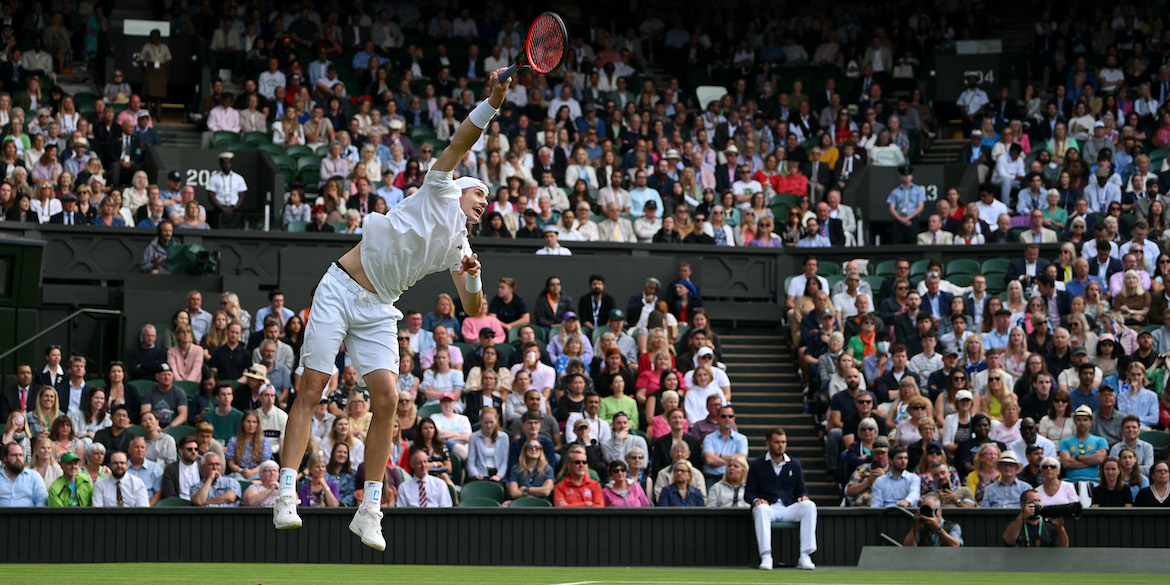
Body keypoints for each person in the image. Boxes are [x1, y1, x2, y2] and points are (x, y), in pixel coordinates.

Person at [275, 69, 511, 551]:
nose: (484, 201)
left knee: (387, 400)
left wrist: (472, 275)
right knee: (312, 389)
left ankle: (369, 510)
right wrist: (493, 101)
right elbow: (463, 139)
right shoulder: (439, 186)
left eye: (488, 199)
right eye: (479, 193)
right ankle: (285, 493)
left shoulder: (461, 248)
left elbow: (473, 308)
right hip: (339, 288)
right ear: (460, 189)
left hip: (380, 307)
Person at [746, 427, 817, 571]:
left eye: (783, 442)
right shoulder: (757, 464)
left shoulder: (795, 464)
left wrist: (803, 496)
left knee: (809, 505)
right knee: (761, 509)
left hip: (788, 508)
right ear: (768, 443)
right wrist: (756, 500)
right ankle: (766, 556)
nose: (781, 445)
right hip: (768, 508)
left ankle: (805, 556)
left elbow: (801, 489)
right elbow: (748, 493)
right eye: (777, 442)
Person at [1004, 489, 1069, 547]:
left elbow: (1063, 546)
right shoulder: (1016, 524)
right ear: (1023, 504)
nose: (1037, 504)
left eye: (1039, 500)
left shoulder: (1048, 524)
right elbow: (1008, 541)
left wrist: (1060, 528)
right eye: (1033, 501)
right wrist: (1022, 516)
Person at [0, 442, 46, 506]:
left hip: (29, 512)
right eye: (14, 455)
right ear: (5, 458)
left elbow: (42, 501)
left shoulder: (34, 476)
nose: (18, 458)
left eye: (21, 455)